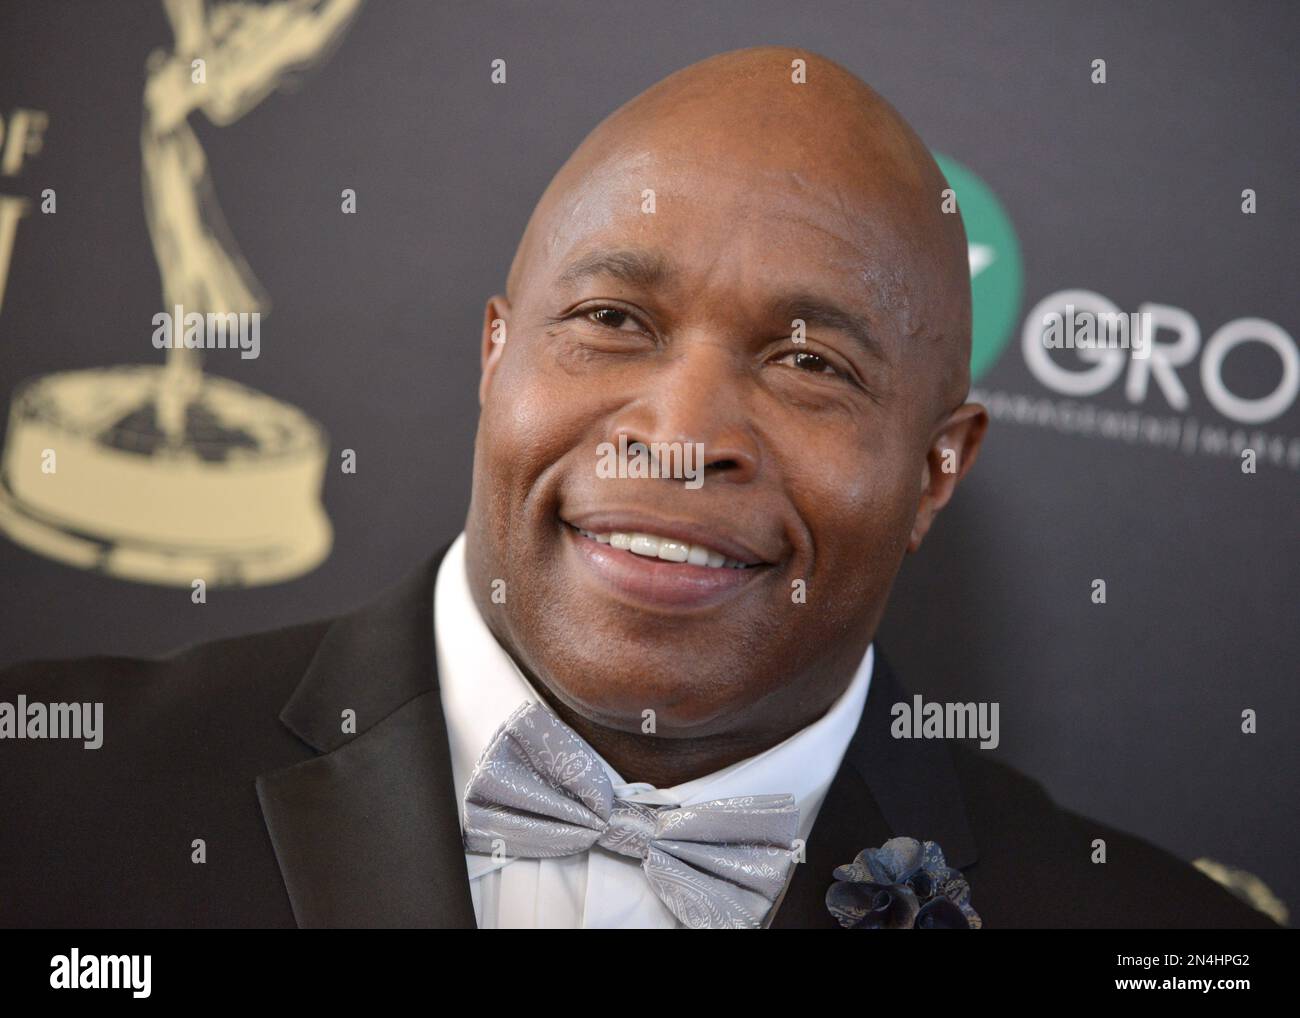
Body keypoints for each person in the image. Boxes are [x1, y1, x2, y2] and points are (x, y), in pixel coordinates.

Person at [0, 46, 1275, 929]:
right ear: (495, 355)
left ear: (937, 469)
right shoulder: (45, 805)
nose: (680, 436)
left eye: (811, 361)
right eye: (611, 317)